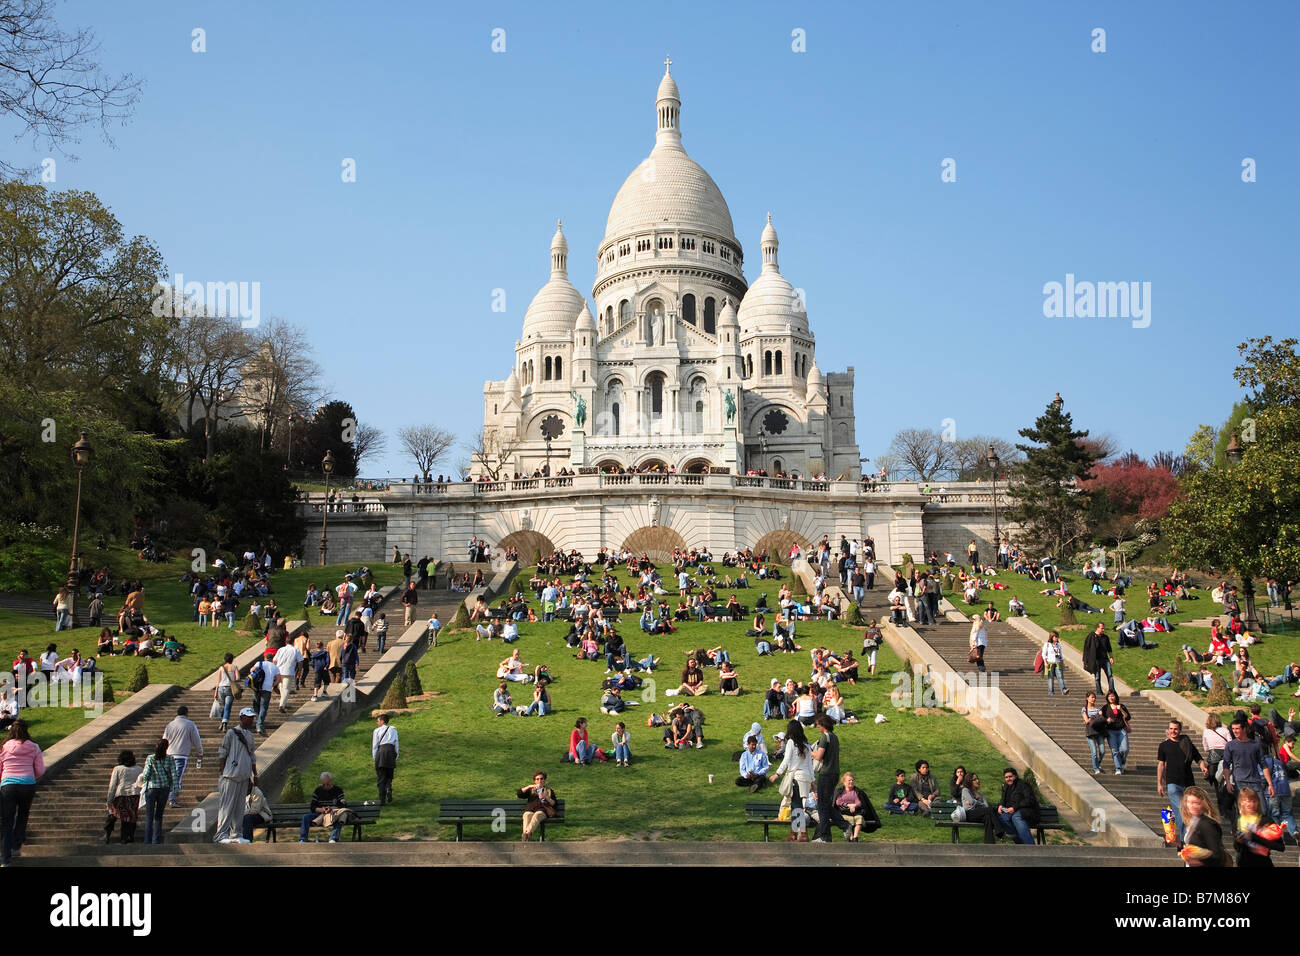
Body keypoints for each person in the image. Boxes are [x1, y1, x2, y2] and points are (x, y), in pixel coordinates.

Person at [0, 720, 43, 865]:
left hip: (8, 786)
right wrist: (30, 776)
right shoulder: (34, 747)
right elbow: (40, 770)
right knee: (23, 815)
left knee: (7, 821)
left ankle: (5, 858)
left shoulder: (5, 746)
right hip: (27, 784)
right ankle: (16, 845)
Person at [1157, 719, 1207, 843]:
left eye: (1175, 729)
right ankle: (1187, 839)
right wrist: (1159, 783)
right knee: (1182, 811)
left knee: (1188, 812)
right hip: (1172, 783)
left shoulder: (1187, 744)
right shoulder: (1164, 745)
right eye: (1171, 729)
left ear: (1180, 730)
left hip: (1188, 783)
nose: (1173, 731)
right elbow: (1161, 765)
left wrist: (1203, 767)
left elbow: (1198, 758)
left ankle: (1186, 838)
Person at [214, 707, 258, 844]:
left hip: (244, 775)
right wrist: (222, 770)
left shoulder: (250, 736)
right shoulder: (231, 733)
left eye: (252, 717)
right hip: (230, 775)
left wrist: (255, 775)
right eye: (248, 717)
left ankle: (236, 833)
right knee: (227, 806)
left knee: (239, 808)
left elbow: (252, 756)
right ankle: (221, 834)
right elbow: (223, 751)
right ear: (241, 717)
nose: (251, 720)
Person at [810, 715, 846, 842]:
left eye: (818, 724)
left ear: (823, 724)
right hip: (835, 773)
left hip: (826, 773)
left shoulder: (825, 737)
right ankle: (838, 829)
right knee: (825, 804)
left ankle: (826, 835)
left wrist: (809, 751)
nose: (817, 727)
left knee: (822, 805)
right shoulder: (834, 737)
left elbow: (819, 756)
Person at [162, 705, 203, 808]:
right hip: (181, 755)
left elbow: (164, 739)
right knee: (177, 777)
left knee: (170, 777)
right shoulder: (190, 725)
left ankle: (168, 797)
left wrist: (163, 752)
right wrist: (200, 752)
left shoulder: (170, 725)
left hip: (169, 754)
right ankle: (172, 799)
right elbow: (196, 740)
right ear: (186, 713)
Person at [769, 720, 813, 816]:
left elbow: (786, 760)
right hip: (806, 779)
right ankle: (797, 825)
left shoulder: (791, 742)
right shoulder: (806, 745)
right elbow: (810, 765)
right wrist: (812, 781)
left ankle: (798, 825)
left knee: (796, 805)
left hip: (796, 778)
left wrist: (777, 774)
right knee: (800, 805)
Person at [1234, 787, 1285, 867]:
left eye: (1253, 801)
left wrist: (1254, 837)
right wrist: (1238, 841)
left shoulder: (1265, 820)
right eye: (1246, 801)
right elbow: (1237, 848)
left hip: (1263, 863)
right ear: (1240, 803)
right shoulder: (1238, 821)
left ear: (1258, 802)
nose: (1250, 804)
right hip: (1243, 862)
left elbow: (1280, 847)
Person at [139, 738, 178, 844]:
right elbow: (174, 774)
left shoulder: (150, 758)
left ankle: (147, 840)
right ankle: (156, 840)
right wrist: (176, 788)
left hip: (151, 788)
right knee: (159, 815)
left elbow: (146, 774)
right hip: (164, 788)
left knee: (149, 815)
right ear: (167, 747)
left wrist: (144, 780)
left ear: (156, 746)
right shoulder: (170, 758)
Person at [1178, 786, 1227, 866]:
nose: (1191, 806)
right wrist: (1177, 843)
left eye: (1195, 803)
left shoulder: (1207, 824)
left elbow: (1217, 854)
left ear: (1203, 804)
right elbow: (1189, 848)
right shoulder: (1193, 821)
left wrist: (1198, 862)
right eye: (1188, 802)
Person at [104, 750, 142, 844]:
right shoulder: (139, 769)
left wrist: (109, 801)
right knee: (132, 815)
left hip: (121, 795)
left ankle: (119, 836)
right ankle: (130, 836)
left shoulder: (117, 769)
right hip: (135, 795)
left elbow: (112, 785)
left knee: (120, 815)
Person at [299, 772, 348, 843]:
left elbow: (342, 806)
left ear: (331, 781)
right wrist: (321, 810)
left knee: (339, 818)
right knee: (305, 817)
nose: (325, 786)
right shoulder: (318, 790)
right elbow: (313, 807)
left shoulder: (338, 790)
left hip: (333, 814)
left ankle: (333, 838)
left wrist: (331, 808)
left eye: (327, 784)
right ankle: (303, 839)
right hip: (319, 815)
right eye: (323, 784)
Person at [996, 767, 1040, 845]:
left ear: (1015, 776)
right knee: (1003, 818)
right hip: (1012, 811)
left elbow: (1029, 800)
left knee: (1016, 817)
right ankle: (1021, 843)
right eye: (1006, 777)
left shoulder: (1023, 784)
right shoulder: (1006, 786)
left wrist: (1015, 807)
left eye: (1010, 776)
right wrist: (1001, 805)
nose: (1008, 779)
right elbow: (1003, 799)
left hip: (1028, 811)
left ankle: (1030, 846)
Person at [517, 771, 558, 841]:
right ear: (535, 781)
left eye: (541, 779)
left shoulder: (548, 791)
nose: (539, 781)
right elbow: (519, 794)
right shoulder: (531, 790)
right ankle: (527, 836)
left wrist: (546, 797)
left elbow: (554, 804)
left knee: (537, 815)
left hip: (542, 811)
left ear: (544, 780)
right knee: (527, 815)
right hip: (530, 810)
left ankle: (526, 834)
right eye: (537, 779)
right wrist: (529, 786)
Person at [833, 772, 874, 841]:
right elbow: (838, 802)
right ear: (844, 782)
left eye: (852, 780)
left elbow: (859, 802)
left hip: (855, 812)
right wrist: (848, 805)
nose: (851, 781)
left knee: (859, 818)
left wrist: (854, 805)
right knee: (848, 820)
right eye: (849, 780)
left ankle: (855, 838)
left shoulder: (856, 791)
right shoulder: (840, 791)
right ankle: (851, 837)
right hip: (843, 812)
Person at [1083, 623, 1117, 696]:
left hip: (1105, 659)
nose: (1103, 630)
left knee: (1110, 675)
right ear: (1097, 628)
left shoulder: (1105, 637)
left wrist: (1111, 657)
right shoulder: (1092, 636)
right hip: (1096, 659)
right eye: (1102, 628)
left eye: (1103, 628)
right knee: (1097, 677)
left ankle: (1112, 690)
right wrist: (1086, 660)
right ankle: (1099, 691)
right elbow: (1086, 648)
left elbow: (1109, 648)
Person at [1102, 691, 1132, 774]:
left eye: (1113, 696)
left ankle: (1122, 761)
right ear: (1107, 698)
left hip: (1121, 730)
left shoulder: (1121, 706)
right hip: (1110, 731)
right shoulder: (1105, 708)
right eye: (1109, 696)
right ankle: (1118, 768)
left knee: (1124, 749)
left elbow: (1128, 717)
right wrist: (1106, 720)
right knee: (1115, 751)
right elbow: (1102, 719)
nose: (1111, 698)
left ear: (1116, 697)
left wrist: (1121, 710)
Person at [372, 712, 399, 804]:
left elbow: (375, 745)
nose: (377, 723)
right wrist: (396, 756)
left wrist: (375, 757)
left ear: (382, 721)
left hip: (381, 752)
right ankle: (388, 788)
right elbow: (396, 744)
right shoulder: (394, 730)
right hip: (391, 752)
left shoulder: (377, 731)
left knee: (381, 777)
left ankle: (382, 799)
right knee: (389, 775)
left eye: (378, 721)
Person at [1042, 630, 1069, 697]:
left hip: (1057, 662)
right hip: (1050, 663)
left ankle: (1063, 690)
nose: (1057, 638)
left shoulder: (1058, 645)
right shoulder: (1047, 644)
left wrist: (1062, 663)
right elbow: (1044, 654)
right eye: (1055, 637)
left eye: (1057, 637)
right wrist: (1045, 662)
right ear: (1052, 637)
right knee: (1050, 678)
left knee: (1060, 677)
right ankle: (1051, 692)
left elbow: (1061, 655)